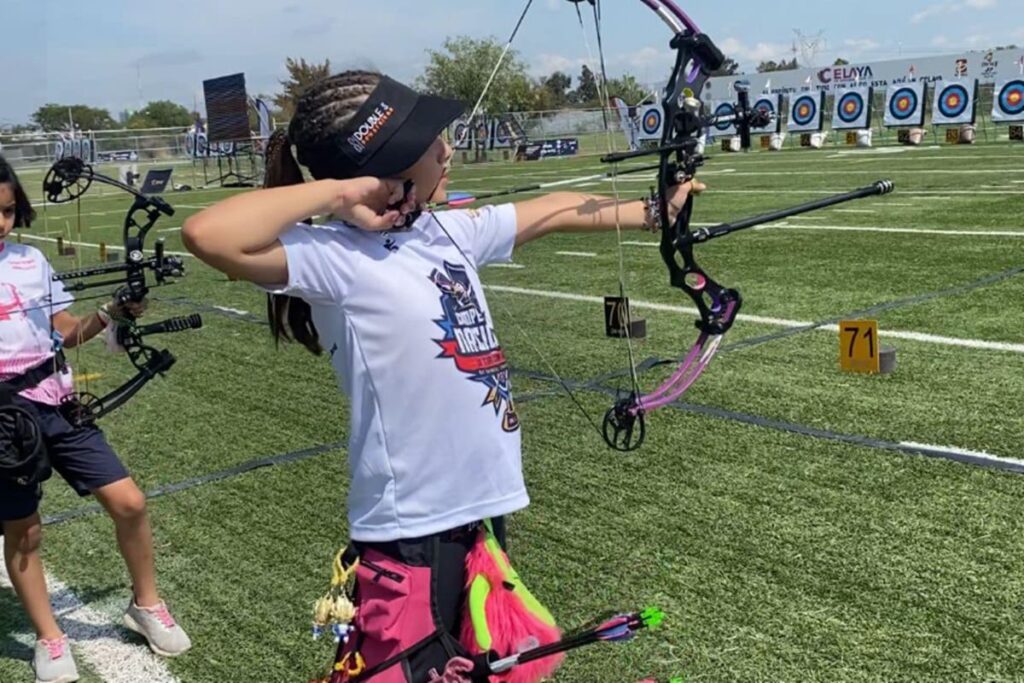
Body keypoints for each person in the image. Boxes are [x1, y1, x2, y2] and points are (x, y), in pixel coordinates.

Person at [182, 71, 701, 682]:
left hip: (479, 514)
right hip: (412, 529)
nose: (447, 150)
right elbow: (208, 234)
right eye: (430, 144)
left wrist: (654, 211)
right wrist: (343, 193)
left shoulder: (445, 231)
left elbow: (549, 212)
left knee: (477, 668)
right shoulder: (335, 258)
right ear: (385, 171)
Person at [0, 154, 191, 683]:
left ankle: (146, 604)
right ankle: (50, 637)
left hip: (56, 401)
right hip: (4, 419)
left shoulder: (30, 260)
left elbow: (66, 330)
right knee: (24, 531)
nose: (1, 223)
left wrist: (111, 311)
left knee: (129, 502)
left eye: (8, 211)